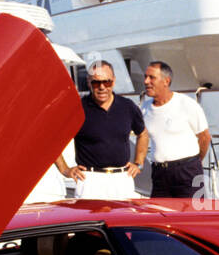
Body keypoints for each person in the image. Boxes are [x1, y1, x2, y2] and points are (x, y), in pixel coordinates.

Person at [54, 61, 148, 200]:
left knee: (123, 221)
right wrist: (65, 170)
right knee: (89, 222)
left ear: (114, 81)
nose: (102, 87)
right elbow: (54, 140)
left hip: (122, 178)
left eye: (107, 82)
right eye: (96, 83)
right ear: (89, 82)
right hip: (90, 181)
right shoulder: (77, 109)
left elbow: (143, 134)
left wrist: (138, 163)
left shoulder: (127, 107)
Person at [141, 61, 211, 198]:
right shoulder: (144, 108)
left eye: (151, 77)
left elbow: (204, 138)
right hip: (159, 174)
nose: (146, 81)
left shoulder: (186, 104)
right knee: (160, 217)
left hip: (187, 172)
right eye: (145, 77)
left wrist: (193, 163)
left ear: (166, 81)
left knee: (191, 217)